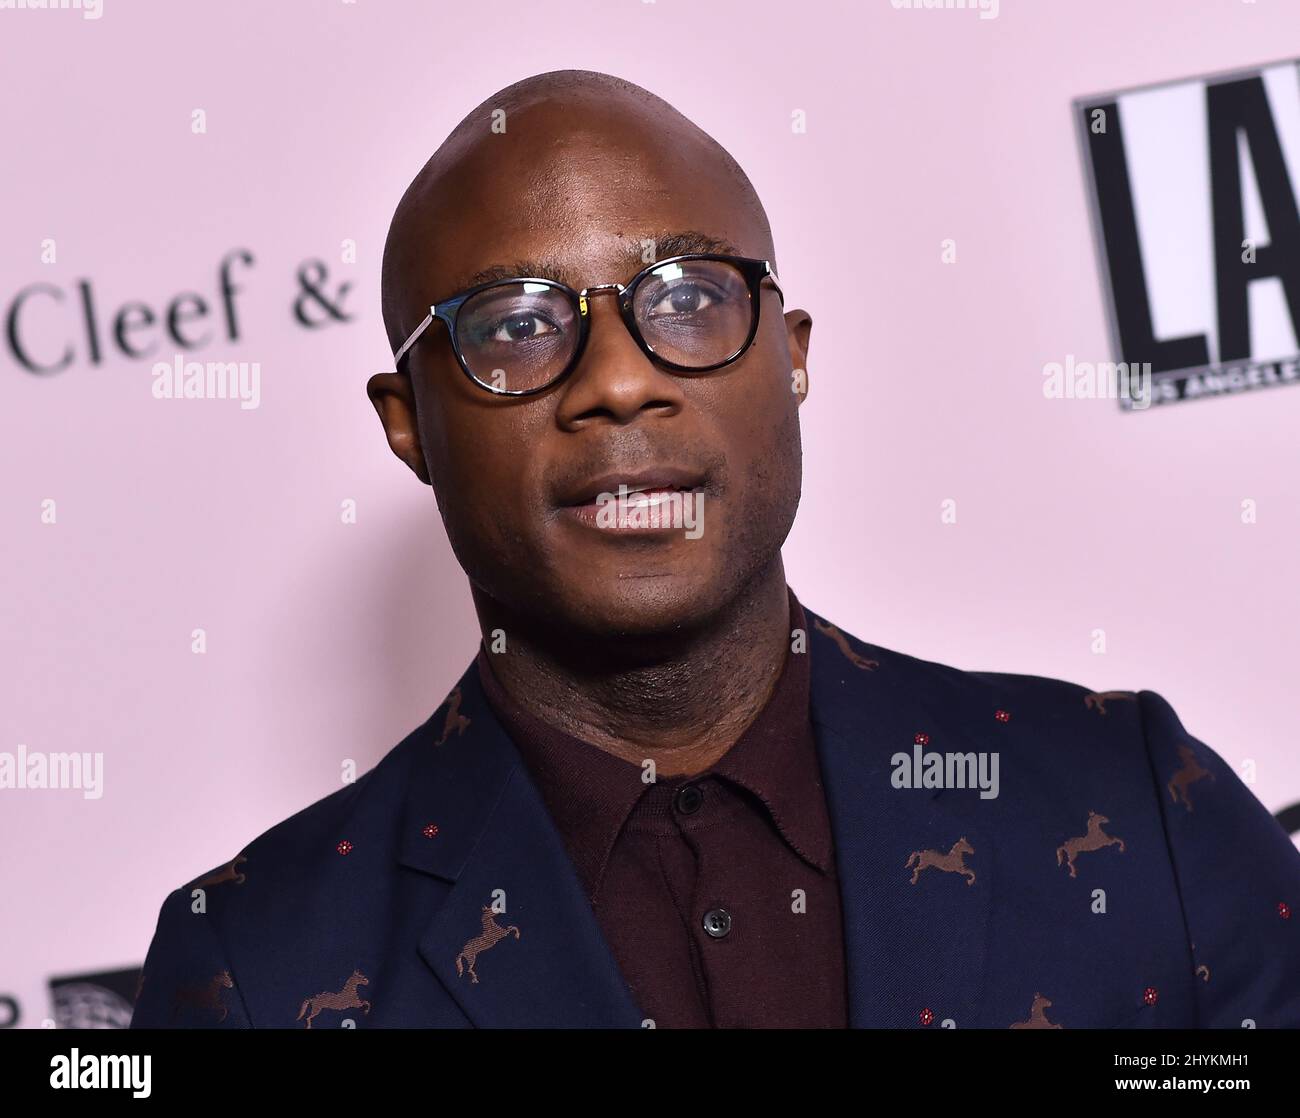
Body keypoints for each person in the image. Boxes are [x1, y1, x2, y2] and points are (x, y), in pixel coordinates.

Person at [131, 69, 1300, 1030]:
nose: (619, 378)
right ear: (408, 425)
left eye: (687, 296)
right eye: (519, 326)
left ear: (789, 357)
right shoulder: (257, 968)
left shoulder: (1134, 805)